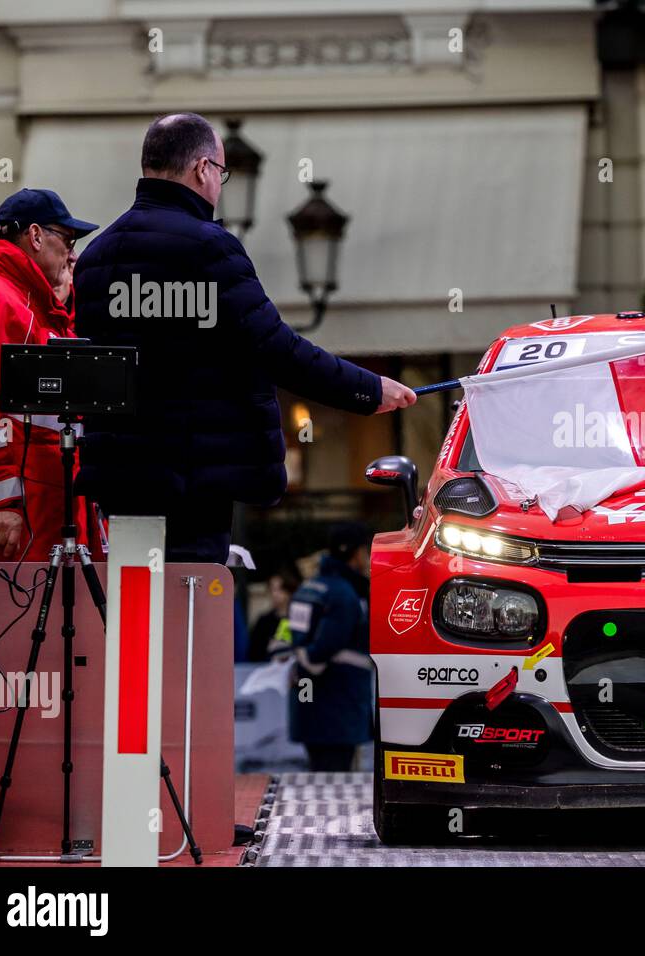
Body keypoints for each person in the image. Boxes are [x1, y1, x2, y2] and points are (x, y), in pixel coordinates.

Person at [73, 112, 416, 563]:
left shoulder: (97, 256)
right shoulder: (208, 247)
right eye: (221, 173)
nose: (219, 186)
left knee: (136, 607)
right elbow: (275, 349)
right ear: (202, 169)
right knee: (191, 608)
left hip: (121, 480)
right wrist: (369, 388)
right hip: (196, 480)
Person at [0, 189, 97, 560]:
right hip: (14, 524)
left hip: (36, 515)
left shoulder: (23, 303)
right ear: (35, 236)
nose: (72, 254)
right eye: (66, 240)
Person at [282, 523, 375, 772]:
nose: (368, 558)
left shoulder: (308, 588)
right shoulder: (344, 595)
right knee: (335, 776)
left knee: (320, 770)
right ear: (355, 553)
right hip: (337, 707)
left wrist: (302, 659)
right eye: (366, 551)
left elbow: (294, 639)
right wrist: (309, 658)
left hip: (314, 704)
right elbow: (322, 650)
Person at [247, 565, 300, 662]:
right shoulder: (264, 621)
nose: (275, 594)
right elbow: (254, 653)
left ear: (289, 590)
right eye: (272, 589)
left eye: (280, 589)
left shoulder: (299, 619)